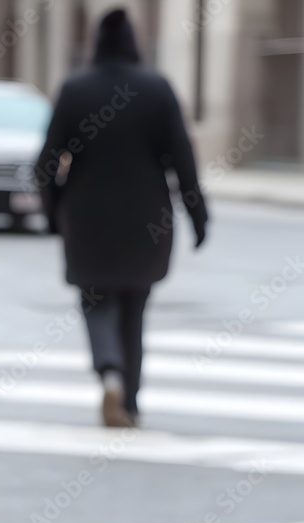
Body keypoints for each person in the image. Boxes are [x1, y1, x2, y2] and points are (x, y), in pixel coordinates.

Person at [35, 9, 209, 428]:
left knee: (96, 303)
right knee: (134, 310)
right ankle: (129, 402)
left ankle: (109, 372)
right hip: (147, 220)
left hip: (87, 218)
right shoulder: (157, 89)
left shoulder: (75, 90)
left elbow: (45, 162)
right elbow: (184, 161)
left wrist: (53, 210)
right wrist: (198, 215)